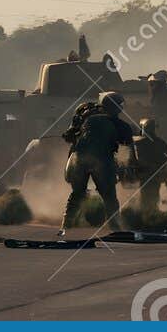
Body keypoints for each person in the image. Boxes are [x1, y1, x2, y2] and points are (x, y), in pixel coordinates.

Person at [60, 91, 137, 232]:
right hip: (101, 160)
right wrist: (128, 168)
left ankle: (66, 225)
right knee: (109, 196)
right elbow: (128, 149)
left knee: (77, 194)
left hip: (78, 159)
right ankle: (115, 227)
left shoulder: (86, 118)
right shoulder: (121, 125)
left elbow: (69, 138)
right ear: (119, 107)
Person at [132, 117, 167, 216]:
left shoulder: (137, 142)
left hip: (147, 174)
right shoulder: (160, 143)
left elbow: (163, 161)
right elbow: (164, 162)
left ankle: (148, 215)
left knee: (149, 195)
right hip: (152, 174)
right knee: (152, 194)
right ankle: (150, 215)